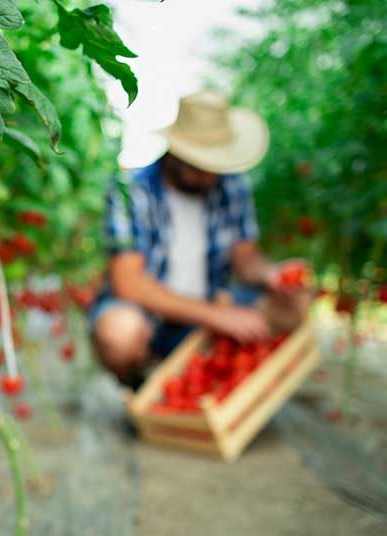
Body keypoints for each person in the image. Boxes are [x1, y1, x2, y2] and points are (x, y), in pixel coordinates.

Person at [90, 90, 311, 387]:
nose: (210, 176)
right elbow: (128, 283)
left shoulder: (231, 186)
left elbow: (245, 257)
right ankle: (143, 384)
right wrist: (216, 316)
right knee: (119, 333)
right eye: (201, 165)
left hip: (210, 308)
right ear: (177, 153)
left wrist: (271, 274)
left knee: (297, 304)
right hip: (152, 318)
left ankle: (216, 377)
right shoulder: (131, 190)